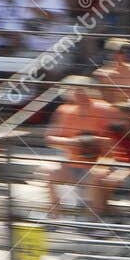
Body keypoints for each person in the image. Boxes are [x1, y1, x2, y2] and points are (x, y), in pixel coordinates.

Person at [46, 77, 118, 221]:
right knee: (51, 173)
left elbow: (117, 140)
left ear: (89, 90)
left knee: (96, 176)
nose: (78, 94)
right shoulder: (64, 111)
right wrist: (73, 142)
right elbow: (50, 139)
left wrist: (95, 141)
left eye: (81, 89)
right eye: (73, 90)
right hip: (73, 162)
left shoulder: (105, 109)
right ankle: (55, 216)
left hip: (100, 162)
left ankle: (95, 219)